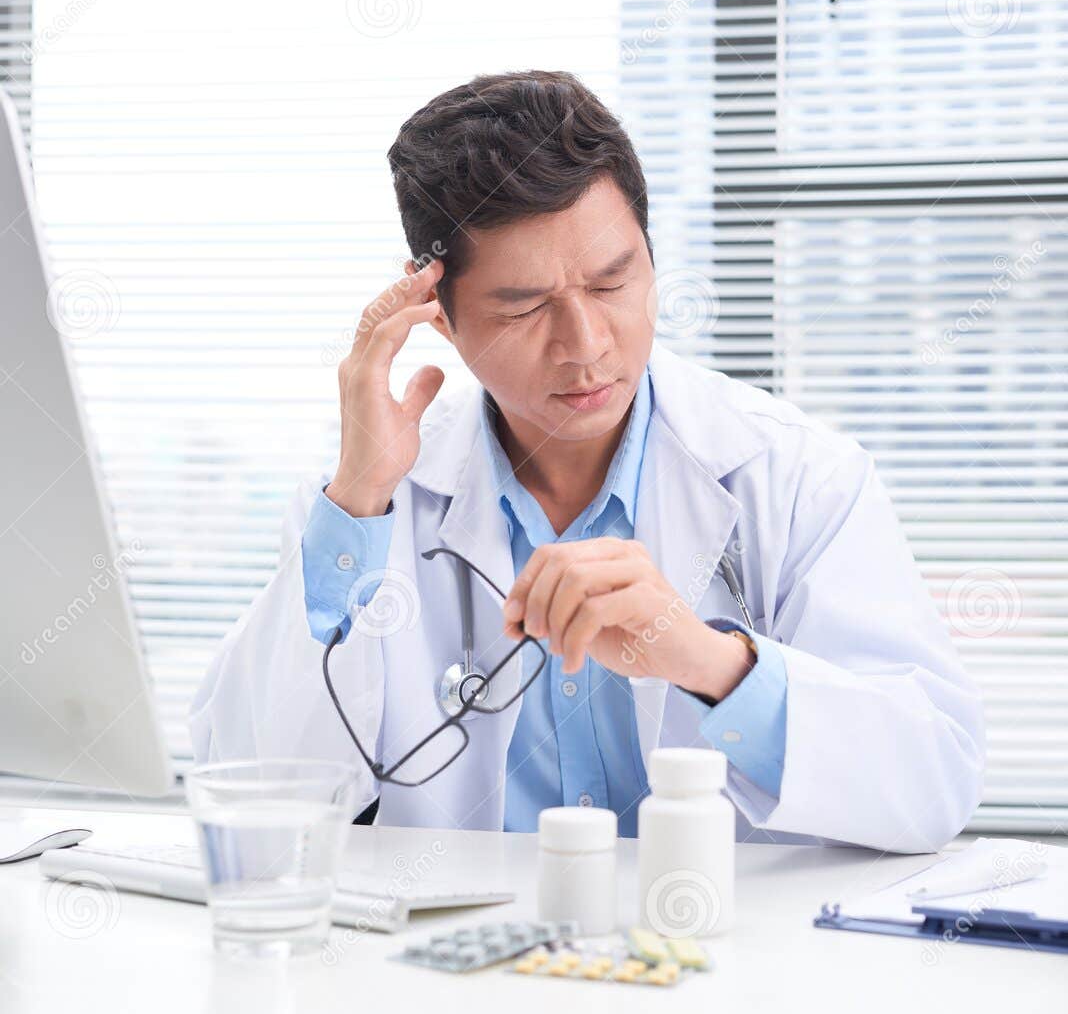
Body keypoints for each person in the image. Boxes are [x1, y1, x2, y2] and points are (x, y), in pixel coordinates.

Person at [190, 70, 984, 851]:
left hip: (723, 932)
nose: (586, 344)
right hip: (466, 935)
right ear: (438, 313)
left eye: (612, 284)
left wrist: (708, 662)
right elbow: (256, 793)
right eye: (525, 307)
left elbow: (931, 784)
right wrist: (358, 499)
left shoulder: (798, 476)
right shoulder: (364, 510)